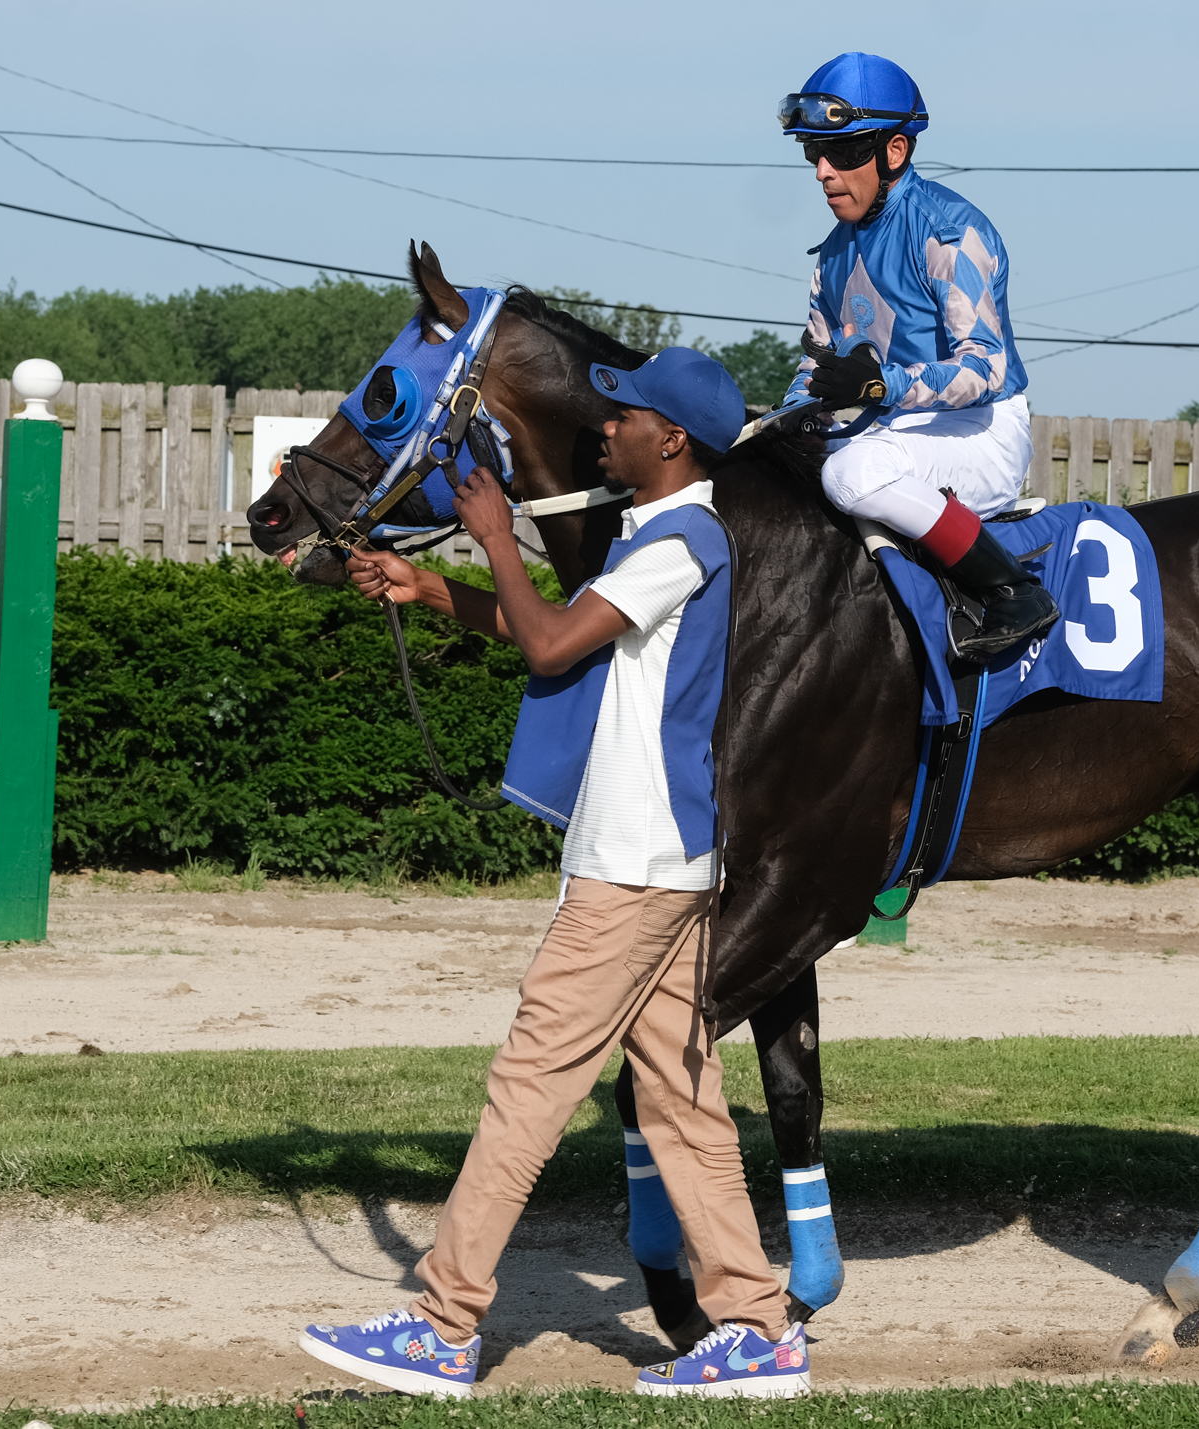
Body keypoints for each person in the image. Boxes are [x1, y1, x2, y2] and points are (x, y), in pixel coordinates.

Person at [295, 347, 810, 1402]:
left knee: (530, 1082)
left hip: (634, 869)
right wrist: (433, 584)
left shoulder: (685, 536)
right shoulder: (662, 533)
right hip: (664, 864)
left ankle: (443, 1325)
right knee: (680, 1097)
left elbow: (549, 644)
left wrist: (495, 535)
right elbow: (565, 642)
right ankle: (755, 1329)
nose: (603, 429)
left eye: (621, 418)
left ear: (671, 439)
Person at [780, 51, 1058, 658]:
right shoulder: (831, 256)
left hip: (979, 431)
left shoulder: (950, 234)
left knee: (851, 474)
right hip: (893, 429)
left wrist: (882, 387)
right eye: (812, 153)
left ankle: (1014, 589)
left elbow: (986, 370)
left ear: (895, 153)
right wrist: (785, 421)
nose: (824, 172)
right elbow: (814, 372)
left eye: (844, 154)